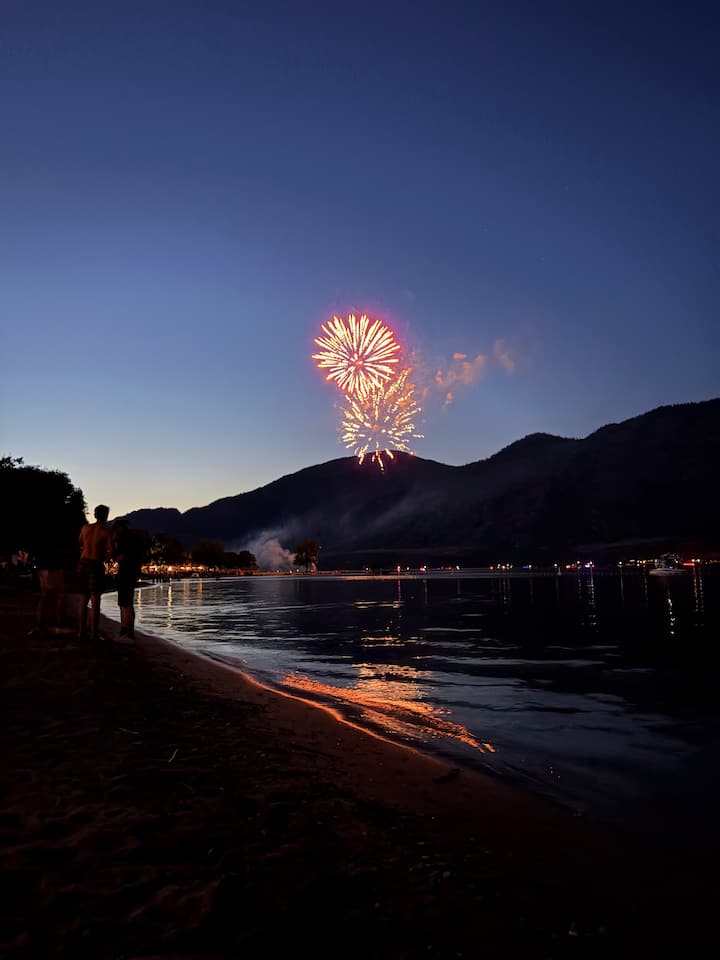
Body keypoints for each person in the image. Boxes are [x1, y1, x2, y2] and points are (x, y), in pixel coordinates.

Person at [77, 504, 112, 641]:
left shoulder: (85, 528)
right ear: (106, 516)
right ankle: (93, 633)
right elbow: (111, 550)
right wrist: (106, 556)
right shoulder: (105, 531)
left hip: (83, 562)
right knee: (95, 600)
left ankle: (80, 631)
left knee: (83, 599)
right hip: (95, 563)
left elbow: (79, 542)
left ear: (95, 514)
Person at [111, 517, 144, 639]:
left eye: (116, 529)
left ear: (120, 529)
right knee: (126, 602)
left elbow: (120, 557)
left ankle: (126, 630)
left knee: (125, 602)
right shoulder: (133, 539)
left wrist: (113, 550)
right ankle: (128, 629)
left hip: (126, 573)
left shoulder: (125, 541)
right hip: (131, 573)